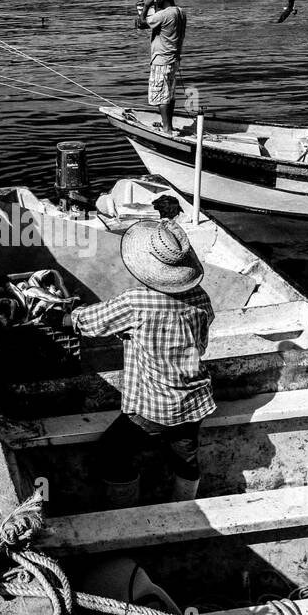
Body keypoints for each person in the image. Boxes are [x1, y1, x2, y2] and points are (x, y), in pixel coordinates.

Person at [54, 217, 214, 506]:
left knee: (113, 454)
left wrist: (63, 317)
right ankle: (184, 508)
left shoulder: (137, 302)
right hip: (195, 401)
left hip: (154, 406)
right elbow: (200, 339)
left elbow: (89, 322)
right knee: (186, 458)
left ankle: (126, 511)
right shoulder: (200, 298)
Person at [135, 0, 187, 135]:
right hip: (173, 59)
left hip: (161, 61)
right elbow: (161, 26)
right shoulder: (180, 12)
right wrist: (156, 7)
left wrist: (145, 7)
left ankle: (167, 129)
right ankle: (168, 126)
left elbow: (141, 23)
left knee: (160, 96)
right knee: (169, 95)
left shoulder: (164, 15)